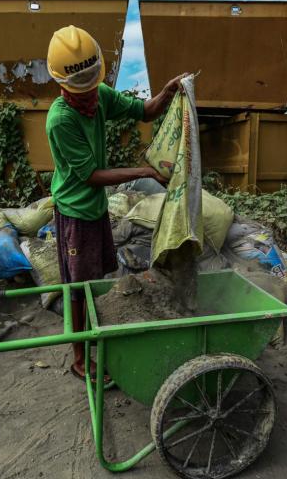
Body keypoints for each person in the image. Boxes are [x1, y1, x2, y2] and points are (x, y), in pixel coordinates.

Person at [45, 25, 186, 382]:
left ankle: (97, 335)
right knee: (78, 288)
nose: (90, 99)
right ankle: (80, 358)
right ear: (62, 86)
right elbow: (91, 175)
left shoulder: (98, 94)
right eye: (81, 94)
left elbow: (145, 111)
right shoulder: (61, 119)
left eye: (92, 89)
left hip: (94, 208)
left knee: (97, 277)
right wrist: (144, 171)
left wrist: (168, 92)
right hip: (76, 212)